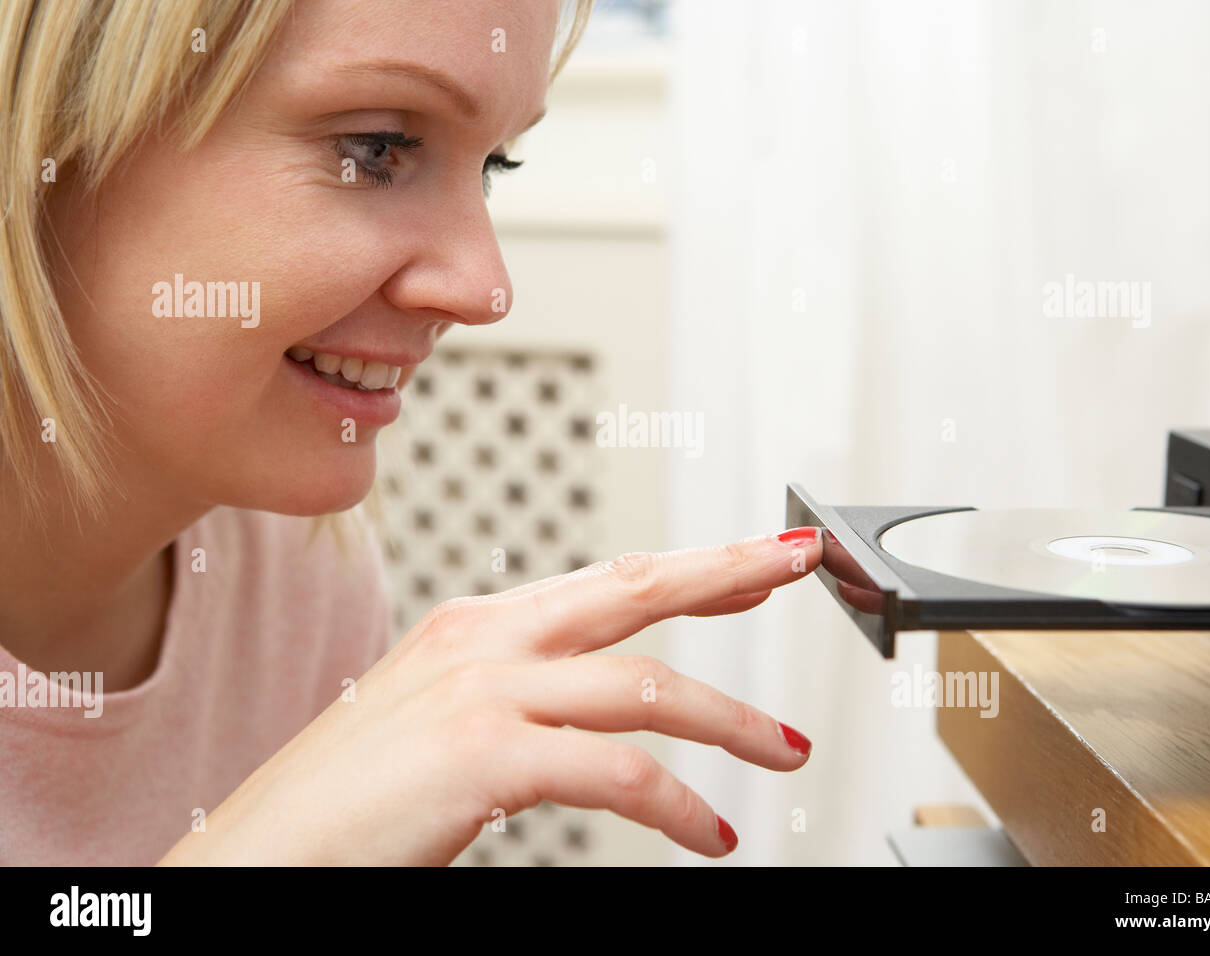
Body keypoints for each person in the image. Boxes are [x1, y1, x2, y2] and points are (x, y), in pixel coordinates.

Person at [0, 0, 822, 866]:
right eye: (376, 149)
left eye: (494, 165)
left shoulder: (303, 578)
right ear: (46, 136)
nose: (485, 289)